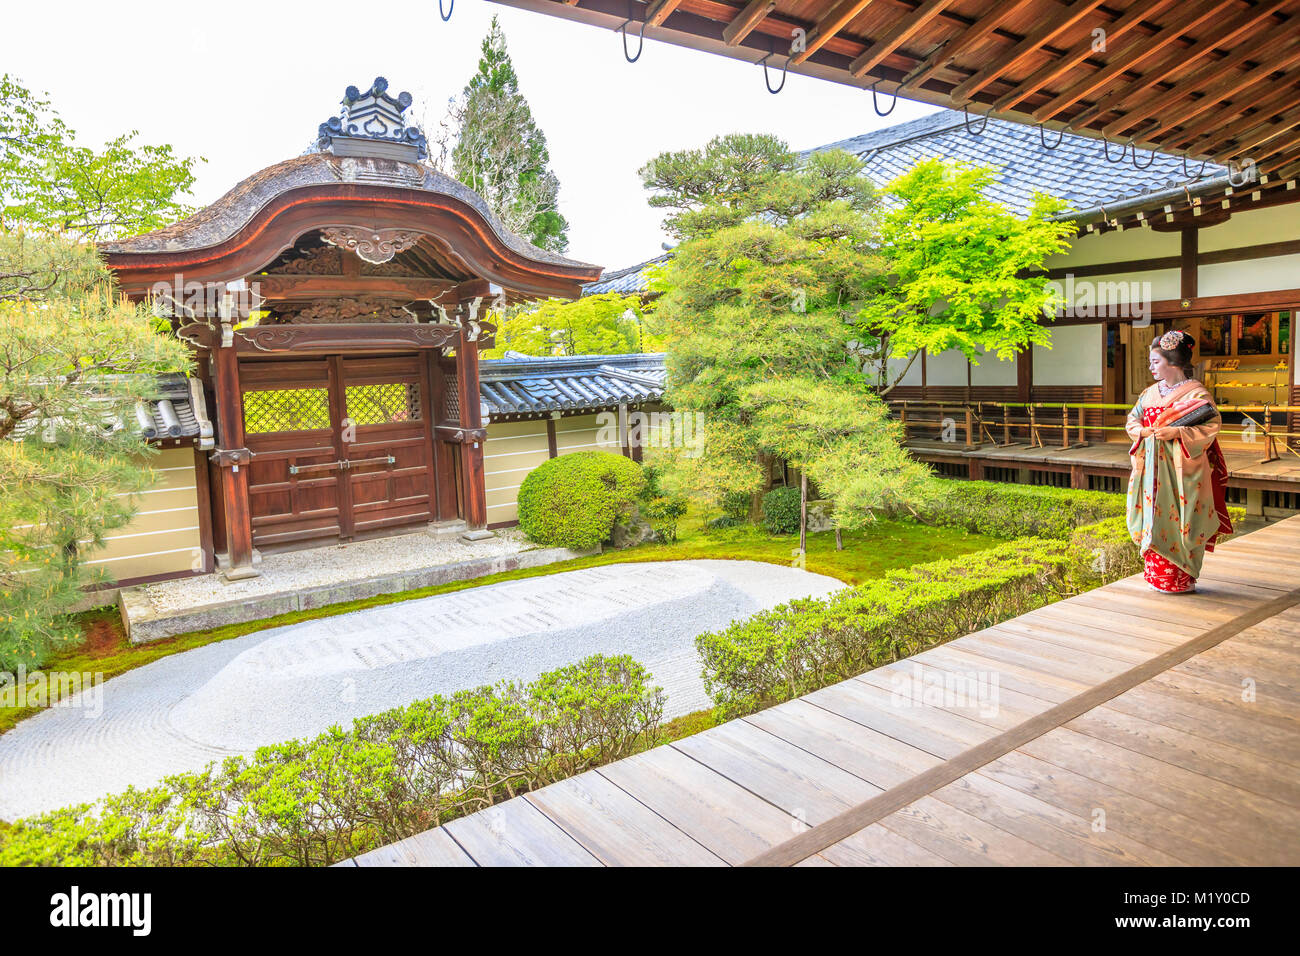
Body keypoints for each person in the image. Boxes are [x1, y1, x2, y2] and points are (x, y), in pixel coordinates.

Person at [1125, 328, 1233, 593]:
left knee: (1183, 518)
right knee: (1152, 516)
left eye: (1155, 361)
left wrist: (1177, 432)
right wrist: (1140, 431)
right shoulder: (1149, 393)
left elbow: (1211, 426)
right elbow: (1133, 419)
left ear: (1173, 361)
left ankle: (1180, 579)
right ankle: (1156, 577)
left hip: (1183, 469)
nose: (1151, 367)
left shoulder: (1196, 394)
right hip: (1151, 468)